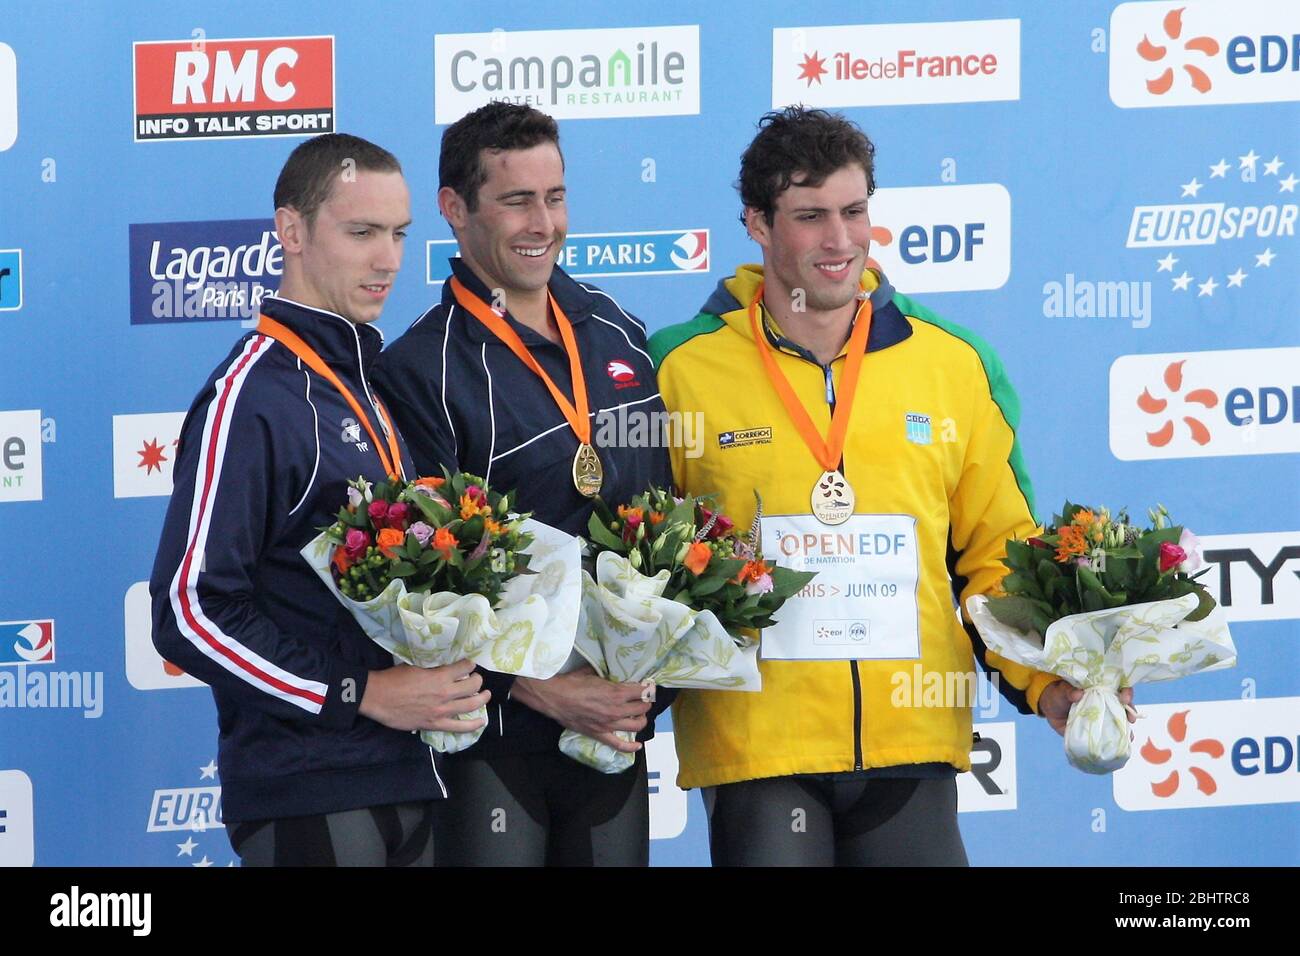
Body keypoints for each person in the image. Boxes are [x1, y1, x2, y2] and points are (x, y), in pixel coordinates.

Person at [649, 106, 1133, 866]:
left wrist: (1049, 682)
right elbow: (644, 560)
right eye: (810, 217)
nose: (839, 240)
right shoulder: (679, 368)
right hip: (758, 743)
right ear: (757, 223)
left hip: (913, 735)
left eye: (853, 211)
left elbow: (998, 551)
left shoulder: (954, 364)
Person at [150, 133, 489, 867]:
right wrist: (357, 692)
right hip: (308, 786)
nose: (389, 259)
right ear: (292, 231)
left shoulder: (372, 383)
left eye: (399, 234)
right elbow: (189, 610)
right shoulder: (251, 397)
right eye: (361, 232)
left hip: (406, 773)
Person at [372, 103, 673, 866]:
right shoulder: (417, 372)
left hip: (613, 728)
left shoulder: (616, 330)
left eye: (556, 197)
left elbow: (664, 518)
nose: (543, 222)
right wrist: (541, 690)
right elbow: (426, 587)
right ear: (454, 209)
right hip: (491, 744)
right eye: (516, 200)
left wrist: (642, 679)